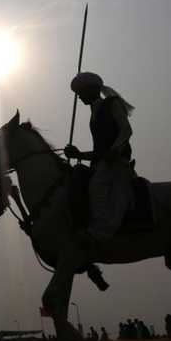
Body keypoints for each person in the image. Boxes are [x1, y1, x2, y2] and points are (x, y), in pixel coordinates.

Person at [64, 71, 135, 250]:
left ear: (94, 90)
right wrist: (78, 155)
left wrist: (114, 150)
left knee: (96, 185)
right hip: (101, 163)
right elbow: (99, 152)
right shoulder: (92, 116)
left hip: (116, 162)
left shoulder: (111, 104)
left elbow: (126, 130)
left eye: (81, 92)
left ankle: (97, 234)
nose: (79, 97)